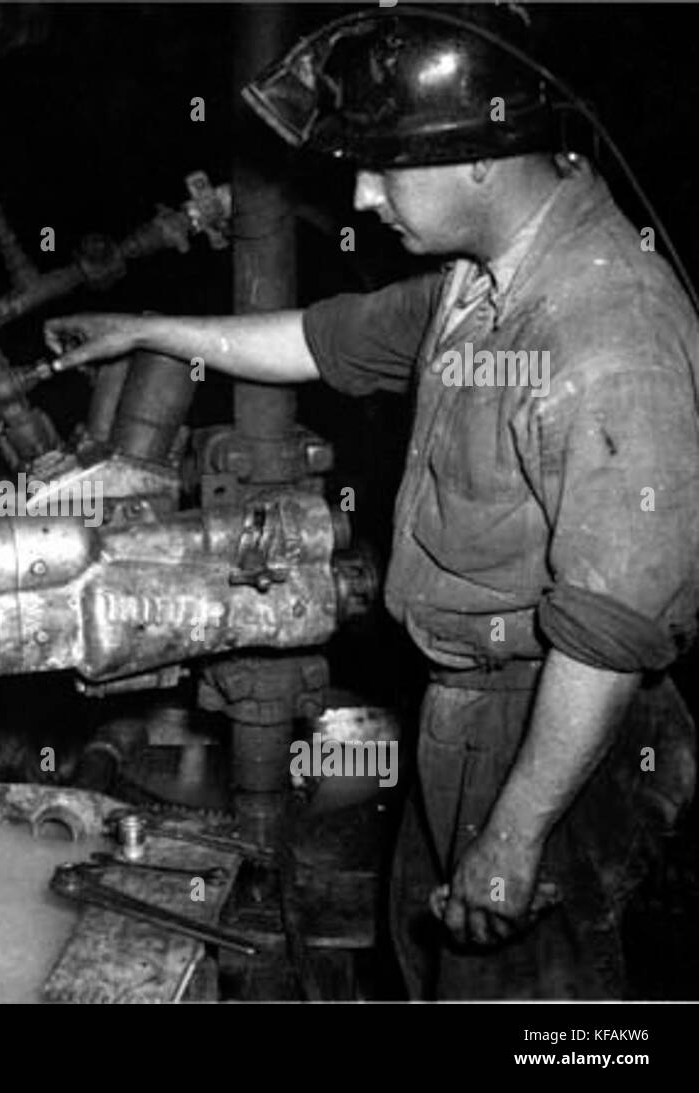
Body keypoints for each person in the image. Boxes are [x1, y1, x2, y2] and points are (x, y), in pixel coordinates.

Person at [44, 8, 699, 999]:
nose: (359, 194)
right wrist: (144, 328)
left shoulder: (606, 330)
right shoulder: (481, 280)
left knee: (540, 1014)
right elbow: (322, 339)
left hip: (551, 732)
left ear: (479, 157)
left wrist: (515, 832)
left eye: (383, 168)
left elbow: (608, 632)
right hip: (463, 714)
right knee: (432, 963)